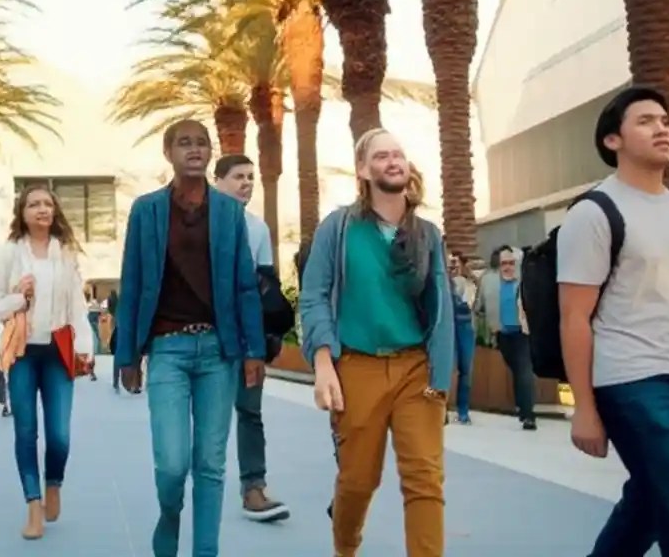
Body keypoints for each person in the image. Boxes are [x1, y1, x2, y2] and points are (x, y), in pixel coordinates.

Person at [114, 119, 265, 557]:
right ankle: (170, 515)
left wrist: (253, 349)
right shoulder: (147, 210)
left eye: (202, 143)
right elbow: (133, 278)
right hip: (167, 349)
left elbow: (243, 284)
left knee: (211, 466)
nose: (194, 150)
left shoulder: (229, 212)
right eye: (184, 143)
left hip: (219, 351)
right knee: (172, 464)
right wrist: (127, 355)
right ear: (169, 153)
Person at [299, 128, 453, 557]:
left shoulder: (427, 234)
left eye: (399, 154)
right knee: (358, 480)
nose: (393, 161)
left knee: (424, 478)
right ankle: (345, 549)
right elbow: (313, 296)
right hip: (357, 368)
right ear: (364, 170)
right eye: (382, 155)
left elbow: (441, 308)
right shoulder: (340, 227)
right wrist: (324, 364)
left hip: (414, 368)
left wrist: (441, 377)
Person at [557, 87, 669, 557]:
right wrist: (584, 410)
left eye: (666, 121)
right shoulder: (595, 212)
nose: (662, 129)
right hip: (632, 378)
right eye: (647, 121)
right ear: (613, 141)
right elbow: (574, 317)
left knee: (652, 503)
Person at [0, 184, 94, 540]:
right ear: (22, 212)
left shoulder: (66, 254)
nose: (42, 209)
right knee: (26, 431)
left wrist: (86, 348)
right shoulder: (7, 254)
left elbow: (77, 305)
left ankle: (54, 484)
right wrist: (18, 296)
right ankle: (33, 505)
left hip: (59, 349)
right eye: (34, 204)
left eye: (48, 203)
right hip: (23, 352)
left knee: (59, 435)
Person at [213, 154, 289, 522]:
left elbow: (266, 288)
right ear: (218, 181)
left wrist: (267, 336)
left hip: (247, 340)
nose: (246, 183)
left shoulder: (257, 229)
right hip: (207, 336)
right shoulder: (201, 223)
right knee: (206, 416)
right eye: (238, 177)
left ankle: (254, 488)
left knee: (249, 411)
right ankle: (200, 486)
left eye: (250, 177)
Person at [474, 246, 536, 429]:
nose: (507, 267)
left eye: (511, 263)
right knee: (517, 369)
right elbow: (479, 307)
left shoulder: (525, 281)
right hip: (502, 334)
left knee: (524, 370)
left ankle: (528, 415)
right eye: (504, 264)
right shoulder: (489, 282)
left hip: (523, 332)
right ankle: (521, 406)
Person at [449, 251, 477, 425]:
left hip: (465, 326)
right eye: (450, 262)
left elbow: (469, 303)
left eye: (455, 262)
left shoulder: (469, 284)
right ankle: (442, 408)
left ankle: (463, 410)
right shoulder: (441, 281)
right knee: (447, 367)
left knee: (465, 369)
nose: (453, 265)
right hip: (449, 326)